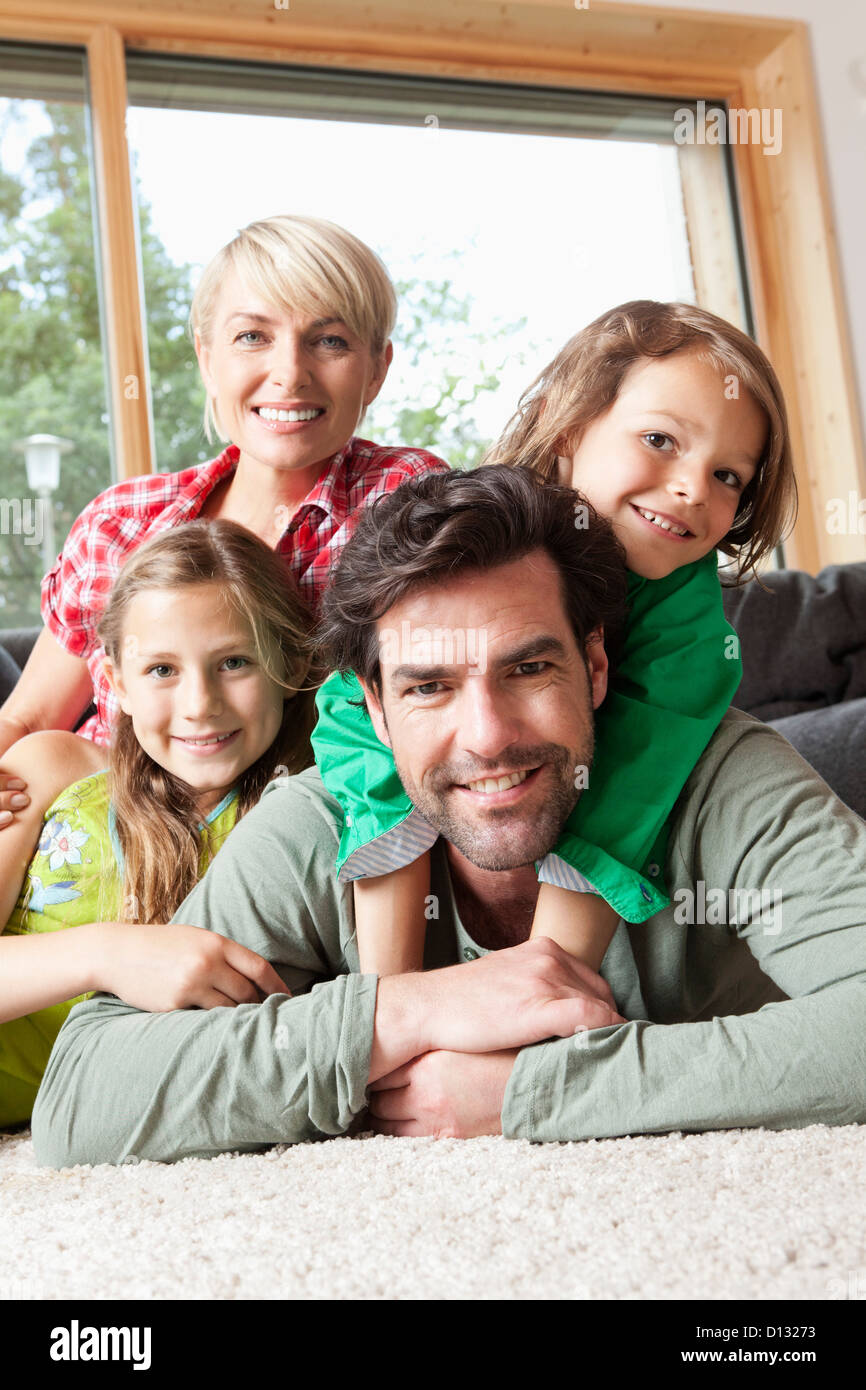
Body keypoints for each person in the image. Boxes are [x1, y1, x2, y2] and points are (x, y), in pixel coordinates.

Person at [30, 467, 866, 1164]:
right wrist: (408, 1010)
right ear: (376, 711)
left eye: (529, 667)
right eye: (428, 686)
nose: (488, 737)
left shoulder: (722, 776)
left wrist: (532, 1090)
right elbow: (82, 1099)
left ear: (597, 665)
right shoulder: (318, 821)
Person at [312, 301, 796, 978]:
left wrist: (536, 998)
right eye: (660, 440)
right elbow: (352, 708)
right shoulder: (482, 537)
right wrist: (392, 1001)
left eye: (727, 476)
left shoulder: (689, 635)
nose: (691, 487)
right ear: (563, 427)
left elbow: (623, 799)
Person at [0, 214, 447, 822]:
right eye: (252, 337)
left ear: (377, 368)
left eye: (331, 340)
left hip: (282, 845)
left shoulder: (403, 501)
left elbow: (426, 720)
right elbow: (29, 718)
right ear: (207, 360)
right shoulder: (122, 521)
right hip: (96, 839)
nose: (290, 372)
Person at [0, 520, 314, 1128]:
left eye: (234, 662)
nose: (200, 704)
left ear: (291, 661)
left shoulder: (297, 817)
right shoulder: (49, 769)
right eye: (162, 670)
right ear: (116, 683)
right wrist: (106, 954)